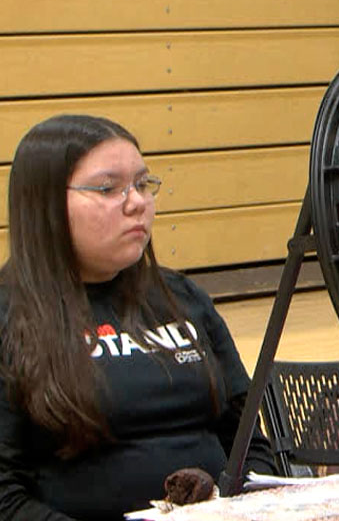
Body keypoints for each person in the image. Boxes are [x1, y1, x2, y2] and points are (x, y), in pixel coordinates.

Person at [0, 115, 276, 520]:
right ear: (47, 206)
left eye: (142, 184)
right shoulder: (11, 316)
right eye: (108, 188)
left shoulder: (184, 299)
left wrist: (237, 508)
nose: (137, 203)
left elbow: (249, 447)